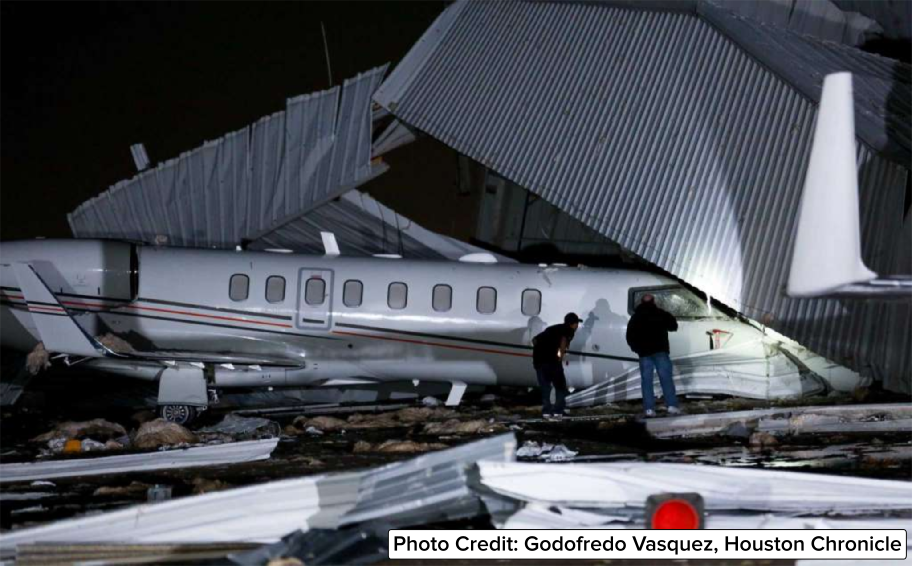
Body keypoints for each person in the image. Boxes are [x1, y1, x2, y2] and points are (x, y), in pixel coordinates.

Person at [625, 294, 681, 417]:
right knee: (666, 379)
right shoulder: (660, 313)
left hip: (644, 354)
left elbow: (629, 336)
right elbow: (673, 326)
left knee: (646, 382)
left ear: (641, 302)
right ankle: (671, 406)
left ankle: (649, 409)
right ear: (654, 301)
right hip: (660, 351)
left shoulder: (636, 317)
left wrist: (637, 349)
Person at [532, 312, 580, 419]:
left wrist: (540, 352)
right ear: (573, 324)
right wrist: (559, 358)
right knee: (560, 386)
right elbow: (563, 342)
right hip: (552, 362)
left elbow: (534, 340)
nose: (577, 326)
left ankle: (546, 412)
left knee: (545, 387)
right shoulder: (569, 330)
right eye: (577, 324)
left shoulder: (552, 328)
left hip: (539, 361)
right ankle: (558, 410)